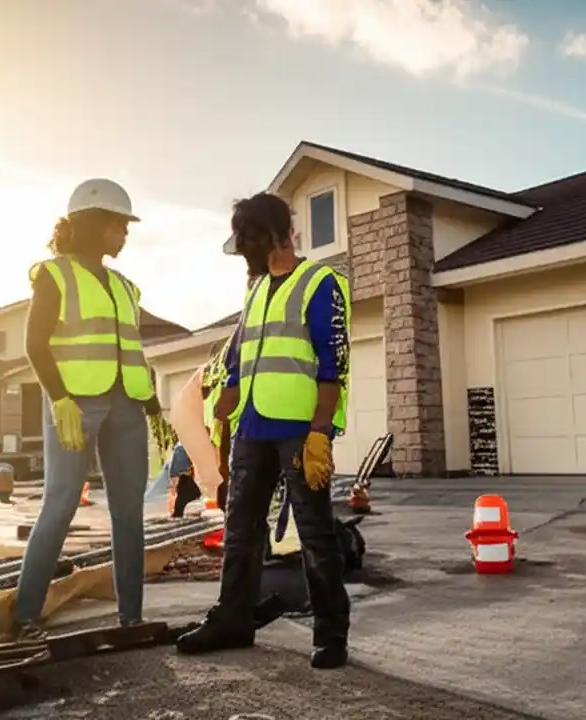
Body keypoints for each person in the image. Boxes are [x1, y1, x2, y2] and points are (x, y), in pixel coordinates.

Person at [176, 191, 352, 669]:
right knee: (240, 529)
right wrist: (221, 418)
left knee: (315, 534)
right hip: (252, 427)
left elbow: (332, 366)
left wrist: (320, 432)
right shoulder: (254, 290)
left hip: (299, 430)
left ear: (278, 233)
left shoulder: (320, 283)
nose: (246, 255)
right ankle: (233, 619)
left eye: (251, 241)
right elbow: (239, 363)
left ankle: (331, 632)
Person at [10, 178, 163, 641]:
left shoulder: (126, 287)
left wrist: (153, 406)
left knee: (128, 512)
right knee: (58, 507)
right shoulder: (54, 275)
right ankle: (24, 619)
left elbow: (130, 349)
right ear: (95, 226)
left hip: (126, 406)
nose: (126, 234)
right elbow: (35, 344)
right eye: (120, 224)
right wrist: (59, 400)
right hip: (76, 403)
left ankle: (131, 618)